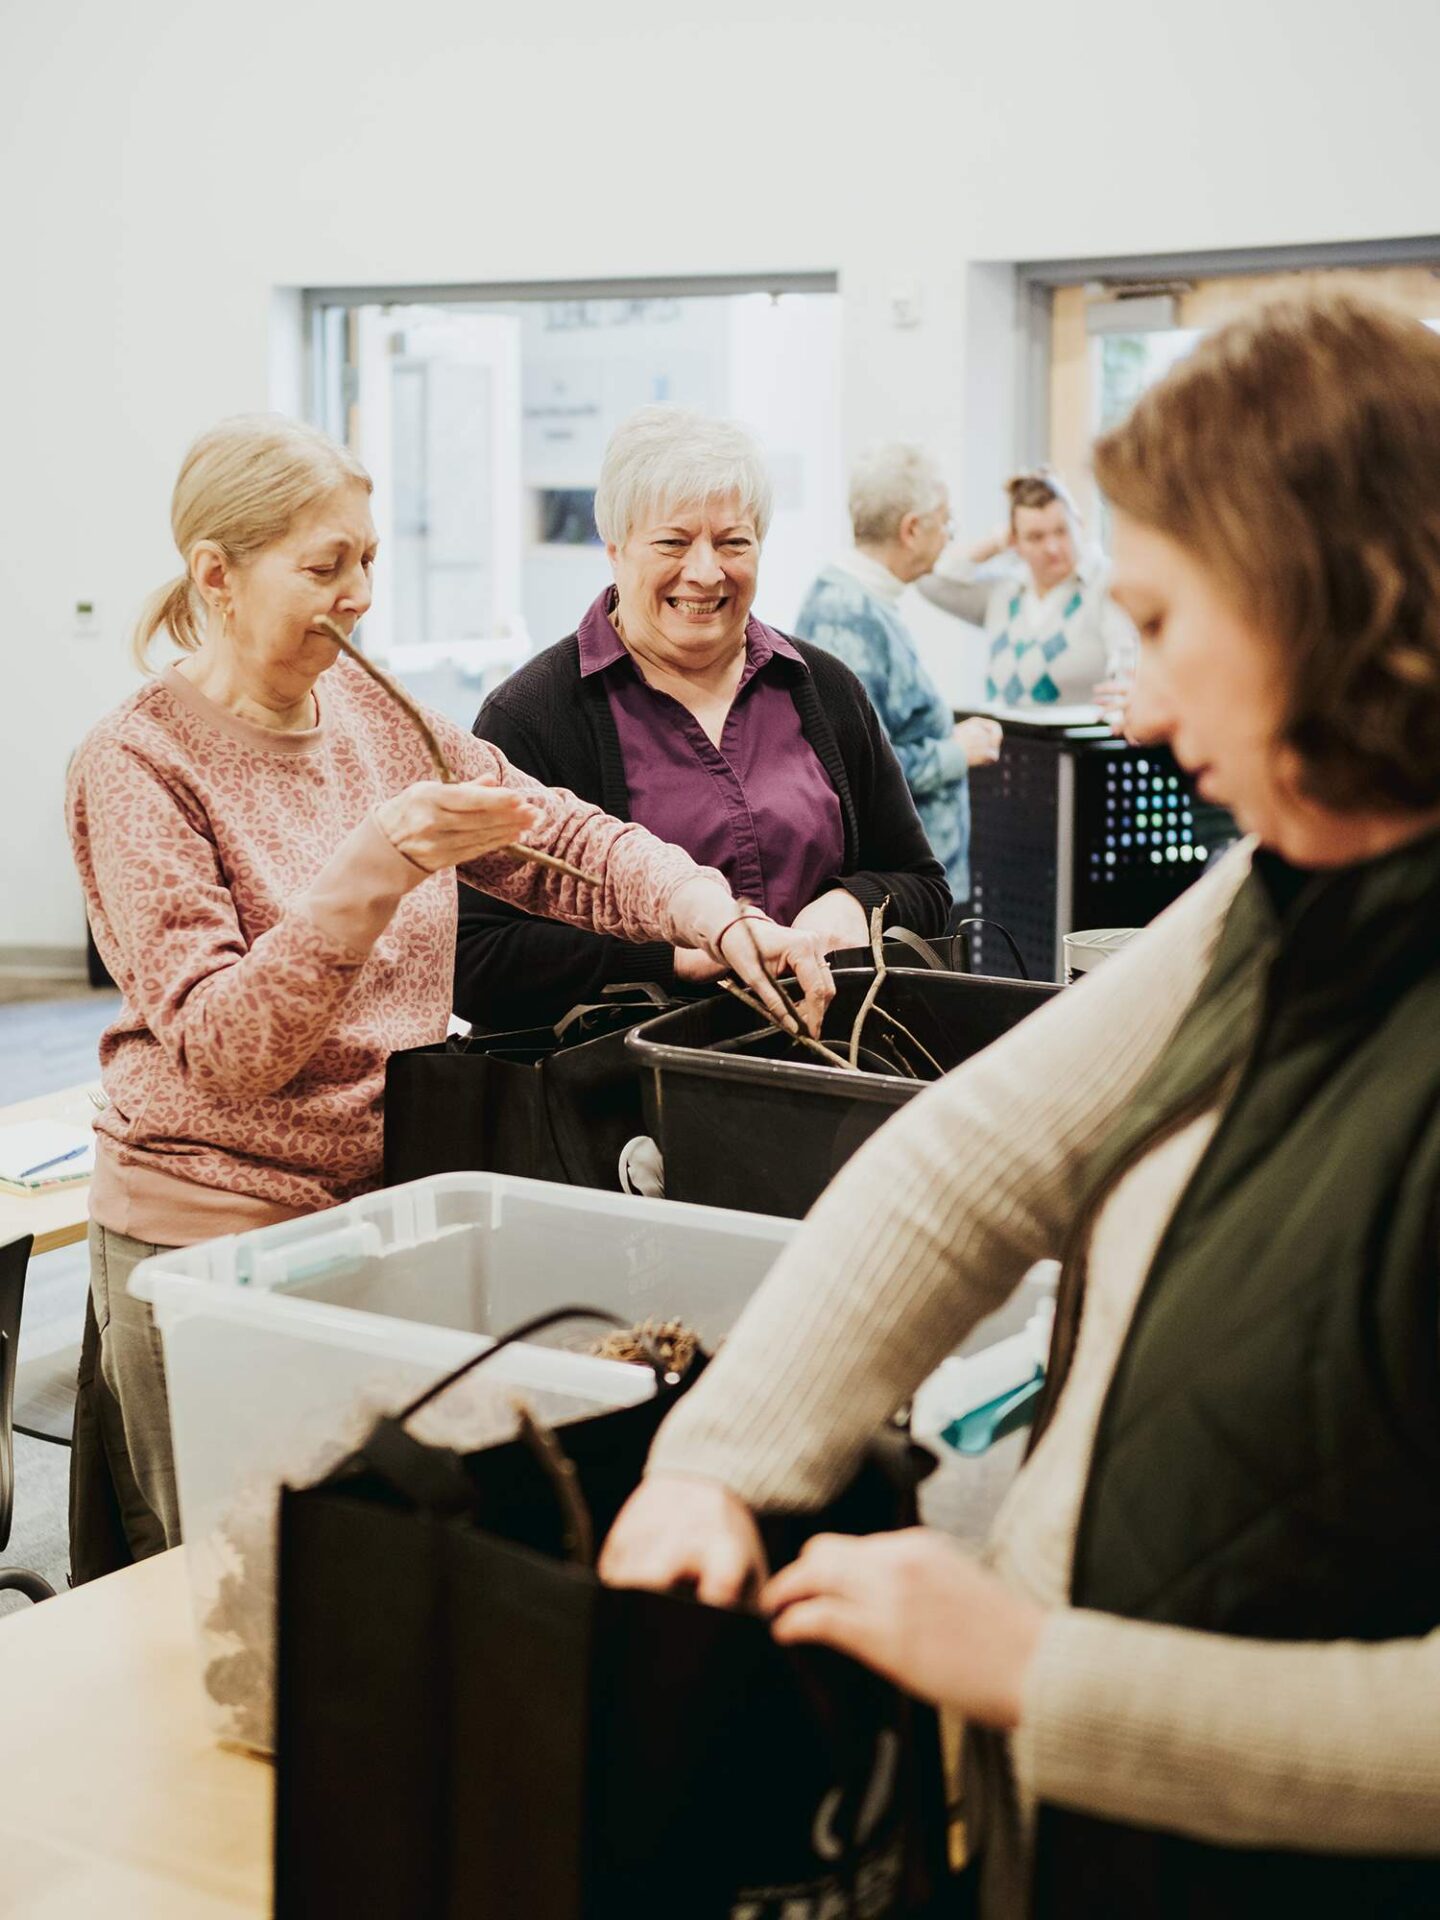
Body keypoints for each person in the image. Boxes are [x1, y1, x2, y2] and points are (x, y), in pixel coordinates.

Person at [600, 293, 1440, 1916]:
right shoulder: (1285, 893)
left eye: (1168, 624)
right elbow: (974, 1166)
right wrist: (721, 1464)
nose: (1136, 708)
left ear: (1339, 612)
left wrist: (1045, 1677)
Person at [65, 414, 834, 1569]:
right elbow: (228, 1050)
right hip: (208, 1250)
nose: (359, 593)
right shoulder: (136, 763)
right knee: (230, 1606)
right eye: (324, 568)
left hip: (379, 1217)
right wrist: (379, 865)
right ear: (214, 575)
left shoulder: (387, 719)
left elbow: (561, 838)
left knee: (363, 1592)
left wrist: (714, 915)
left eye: (368, 559)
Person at [453, 408, 950, 1031]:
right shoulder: (531, 717)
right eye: (672, 542)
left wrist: (851, 908)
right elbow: (472, 961)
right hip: (627, 1100)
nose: (707, 571)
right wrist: (674, 955)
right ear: (614, 547)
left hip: (831, 1070)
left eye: (733, 542)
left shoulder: (822, 688)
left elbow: (924, 886)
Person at [793, 444, 1002, 911]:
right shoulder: (846, 617)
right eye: (945, 521)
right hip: (894, 895)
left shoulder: (867, 606)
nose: (950, 536)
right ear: (911, 529)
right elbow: (859, 775)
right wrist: (956, 752)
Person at [920, 467, 1137, 712]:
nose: (1053, 548)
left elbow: (1126, 664)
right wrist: (995, 543)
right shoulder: (1003, 592)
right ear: (1015, 542)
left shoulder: (1107, 585)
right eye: (1036, 537)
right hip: (1007, 740)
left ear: (1079, 523)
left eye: (1061, 531)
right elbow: (930, 581)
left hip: (1079, 742)